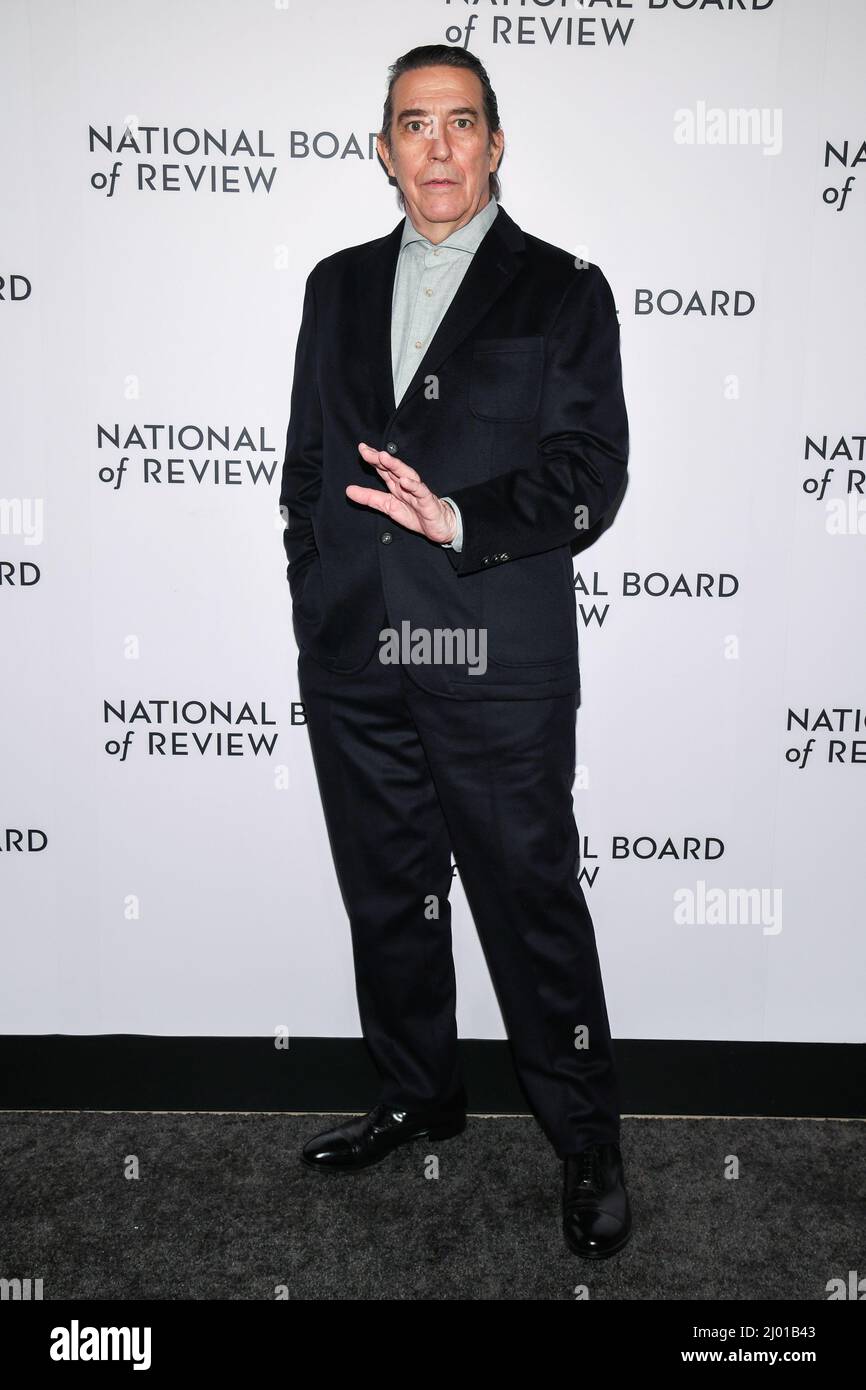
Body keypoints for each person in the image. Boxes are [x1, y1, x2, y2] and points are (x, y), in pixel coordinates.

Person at [279, 43, 631, 1259]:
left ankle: (585, 1136)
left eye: (460, 122)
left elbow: (592, 478)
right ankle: (416, 1090)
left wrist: (463, 521)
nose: (437, 146)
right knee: (389, 896)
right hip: (354, 655)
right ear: (382, 148)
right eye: (412, 125)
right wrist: (314, 581)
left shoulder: (560, 290)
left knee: (528, 905)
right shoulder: (332, 286)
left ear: (494, 143)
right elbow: (309, 471)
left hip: (494, 658)